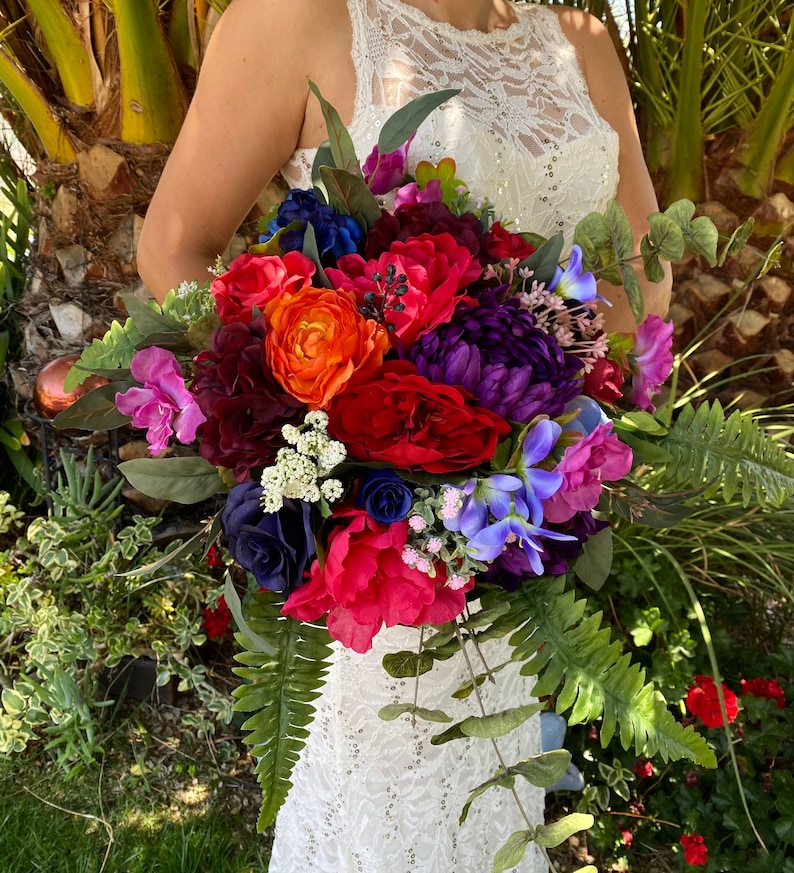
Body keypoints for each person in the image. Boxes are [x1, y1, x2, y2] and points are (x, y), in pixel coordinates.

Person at [138, 1, 672, 871]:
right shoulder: (297, 16)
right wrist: (326, 420)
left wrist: (558, 410)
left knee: (494, 803)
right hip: (379, 548)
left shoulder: (582, 42)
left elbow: (642, 275)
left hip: (516, 522)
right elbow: (173, 248)